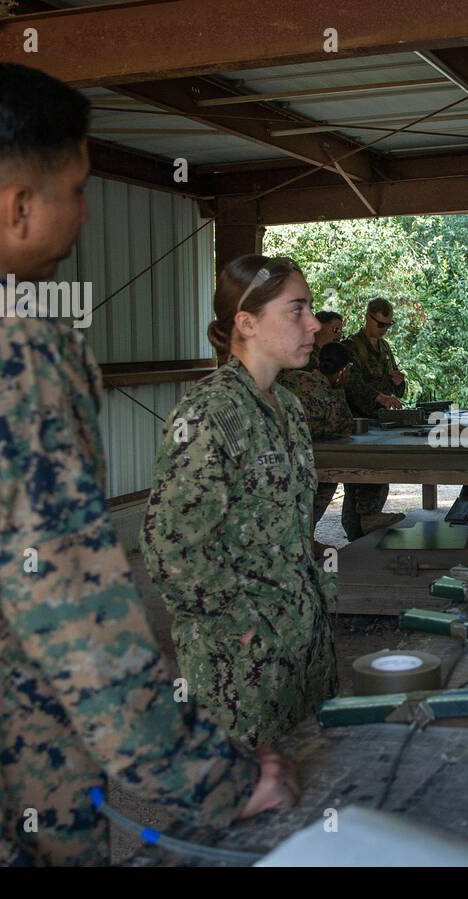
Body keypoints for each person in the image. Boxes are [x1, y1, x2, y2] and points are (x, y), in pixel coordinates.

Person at [0, 56, 280, 866]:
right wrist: (217, 780)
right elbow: (75, 611)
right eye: (77, 191)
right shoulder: (8, 343)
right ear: (20, 207)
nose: (81, 215)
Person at [143, 255, 339, 756]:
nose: (313, 323)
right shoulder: (210, 413)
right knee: (247, 804)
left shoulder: (287, 407)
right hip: (242, 666)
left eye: (310, 308)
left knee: (311, 782)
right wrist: (244, 628)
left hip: (304, 647)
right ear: (247, 323)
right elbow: (170, 550)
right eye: (297, 309)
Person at [278, 310, 355, 533]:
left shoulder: (300, 364)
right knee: (327, 476)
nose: (339, 334)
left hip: (285, 441)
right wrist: (337, 390)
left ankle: (303, 535)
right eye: (335, 330)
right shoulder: (311, 375)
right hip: (301, 448)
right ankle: (303, 537)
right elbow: (341, 427)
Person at [341, 297, 406, 539]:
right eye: (381, 325)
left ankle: (364, 528)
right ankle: (355, 530)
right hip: (359, 421)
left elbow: (395, 387)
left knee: (378, 476)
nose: (384, 330)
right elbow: (351, 384)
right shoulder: (351, 347)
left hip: (382, 421)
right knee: (358, 479)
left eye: (389, 326)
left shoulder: (385, 348)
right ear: (368, 317)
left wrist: (399, 382)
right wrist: (379, 397)